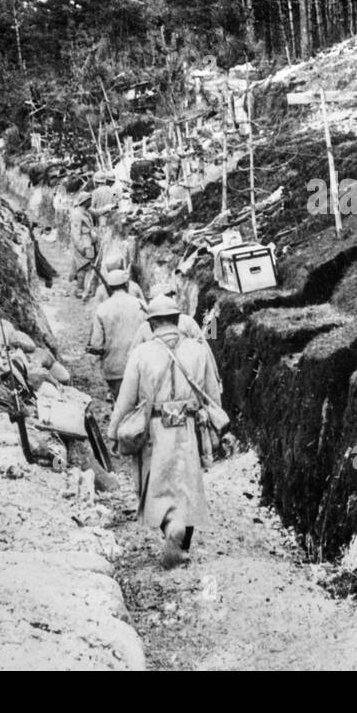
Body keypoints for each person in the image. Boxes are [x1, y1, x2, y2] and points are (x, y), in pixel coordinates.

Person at [109, 295, 220, 569]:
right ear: (176, 319)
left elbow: (126, 399)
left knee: (156, 483)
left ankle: (170, 525)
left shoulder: (141, 353)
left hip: (156, 427)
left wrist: (114, 431)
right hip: (189, 425)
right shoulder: (198, 349)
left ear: (152, 322)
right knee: (188, 482)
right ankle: (182, 538)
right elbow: (211, 393)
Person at [86, 269, 148, 403]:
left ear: (109, 287)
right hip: (141, 365)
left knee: (121, 405)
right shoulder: (140, 305)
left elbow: (97, 344)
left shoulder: (102, 308)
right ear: (127, 285)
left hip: (114, 367)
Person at [67, 193, 97, 301]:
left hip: (87, 242)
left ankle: (82, 288)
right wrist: (81, 247)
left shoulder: (86, 212)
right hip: (83, 244)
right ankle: (79, 290)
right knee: (82, 267)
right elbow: (75, 234)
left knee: (86, 265)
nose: (91, 202)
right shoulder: (77, 214)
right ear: (85, 201)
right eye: (89, 200)